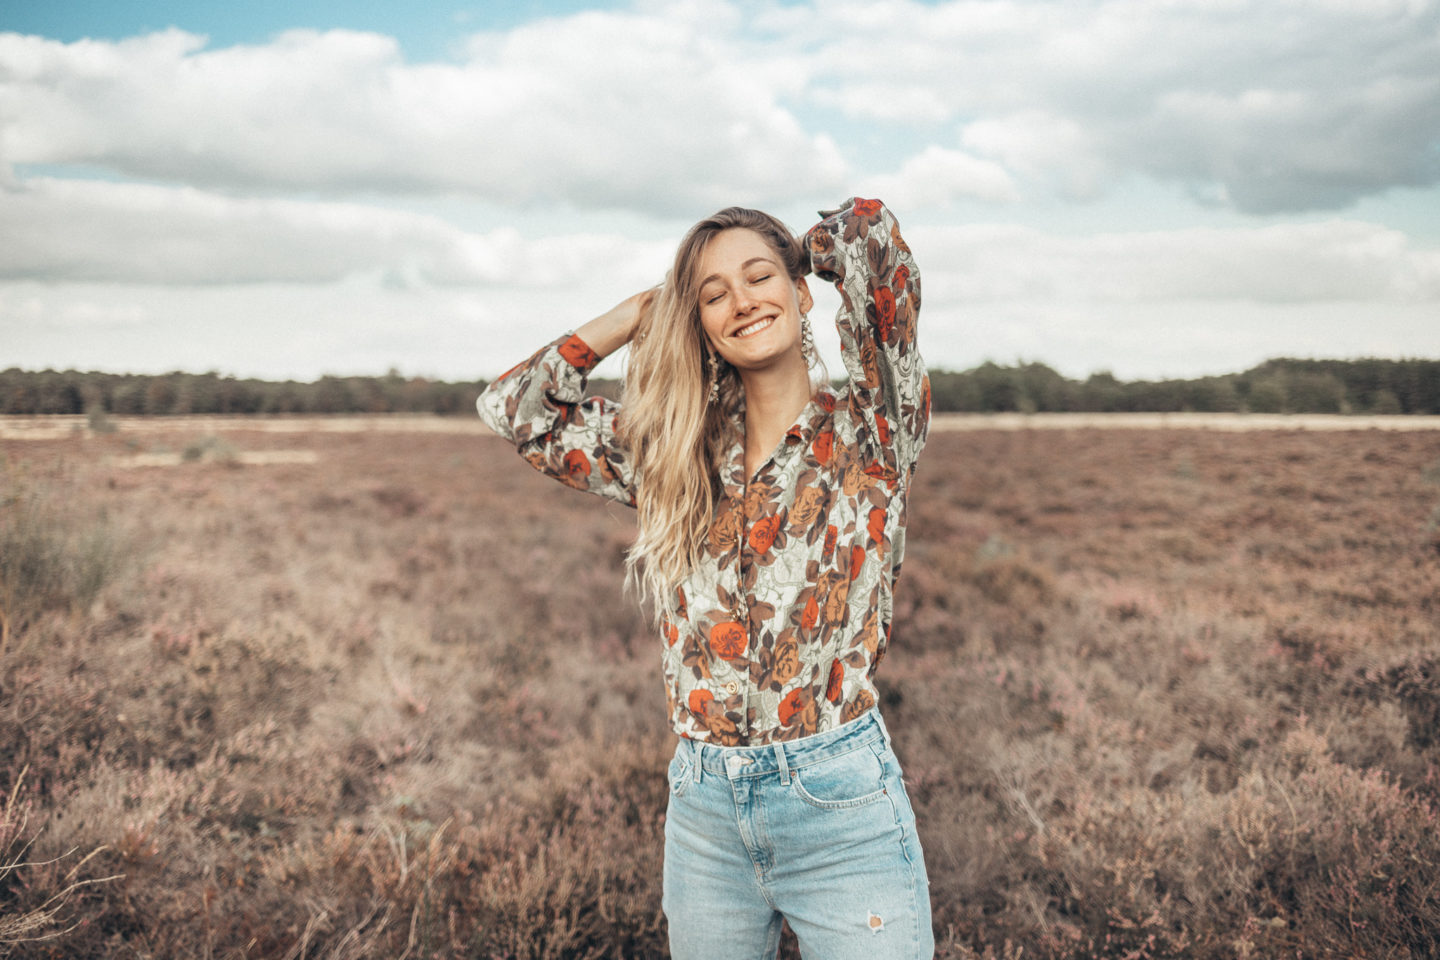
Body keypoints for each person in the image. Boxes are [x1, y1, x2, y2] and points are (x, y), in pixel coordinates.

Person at [477, 197, 933, 960]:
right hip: (705, 812)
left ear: (801, 291)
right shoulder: (674, 454)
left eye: (760, 279)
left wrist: (805, 249)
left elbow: (874, 245)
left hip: (840, 806)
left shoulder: (872, 428)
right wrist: (642, 312)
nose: (742, 301)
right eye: (713, 295)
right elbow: (515, 410)